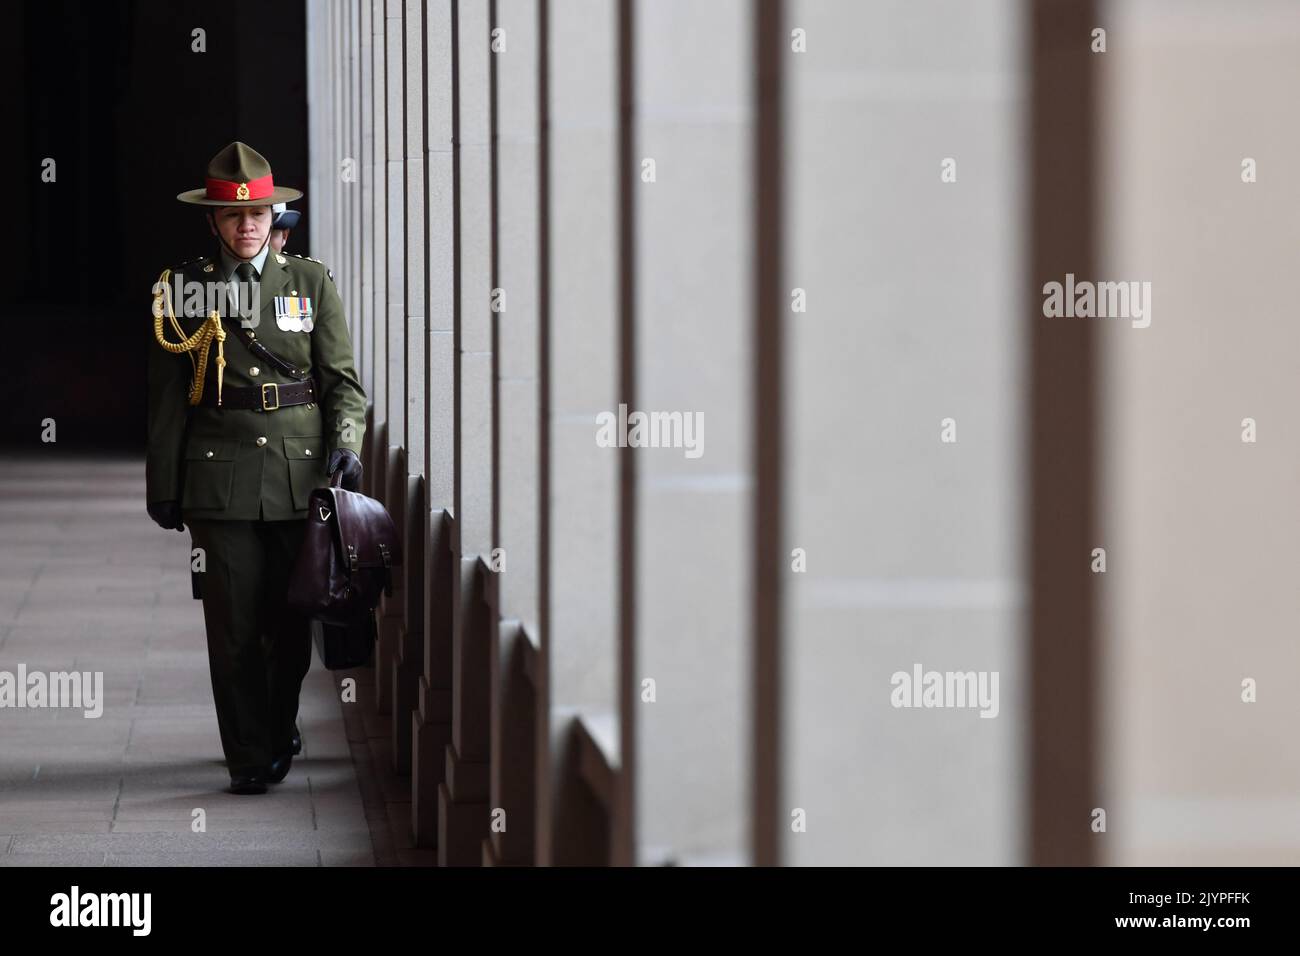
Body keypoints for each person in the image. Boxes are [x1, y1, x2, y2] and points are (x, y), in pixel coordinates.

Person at [146, 141, 366, 795]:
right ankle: (248, 754)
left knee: (290, 624)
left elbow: (342, 381)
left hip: (300, 476)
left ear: (275, 218)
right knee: (233, 627)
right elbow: (167, 399)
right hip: (219, 480)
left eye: (259, 214)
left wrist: (347, 442)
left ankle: (276, 725)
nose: (247, 226)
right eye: (234, 216)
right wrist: (165, 486)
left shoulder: (310, 282)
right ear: (212, 221)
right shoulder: (182, 288)